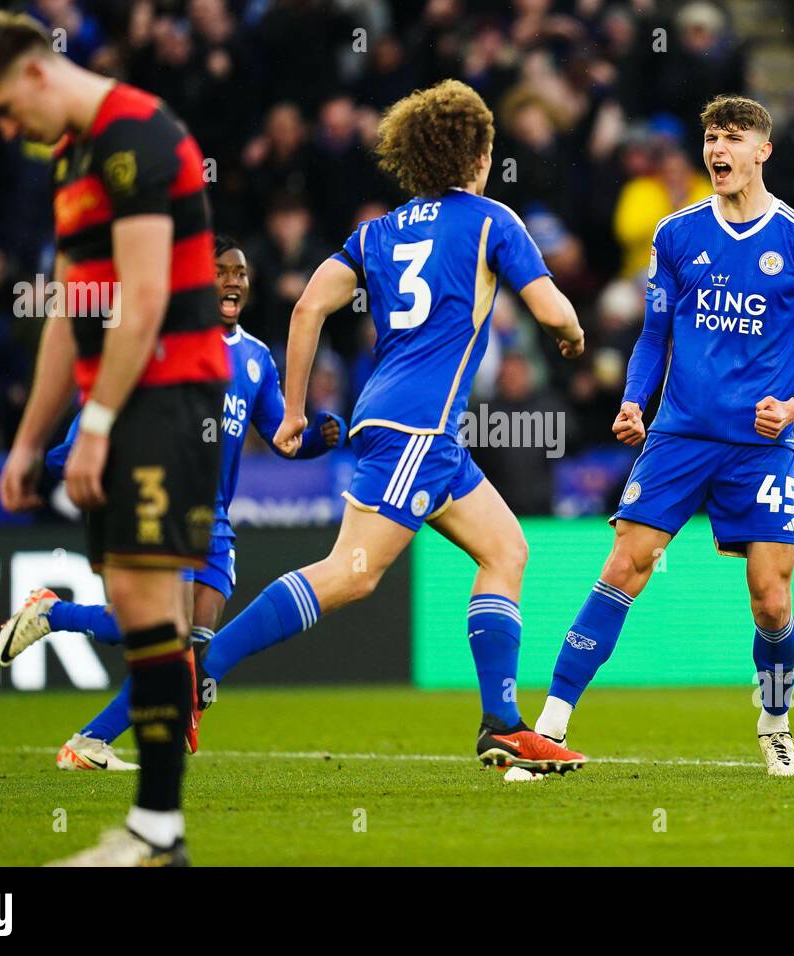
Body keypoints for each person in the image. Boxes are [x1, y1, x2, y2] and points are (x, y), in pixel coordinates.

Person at [197, 79, 590, 775]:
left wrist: (291, 409)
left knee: (506, 550)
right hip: (419, 428)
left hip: (412, 424)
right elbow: (553, 310)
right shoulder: (491, 219)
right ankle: (203, 665)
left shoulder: (376, 232)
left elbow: (306, 309)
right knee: (351, 574)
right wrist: (572, 336)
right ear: (477, 153)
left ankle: (502, 722)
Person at [0, 11, 225, 865]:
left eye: (3, 110)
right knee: (144, 610)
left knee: (156, 608)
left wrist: (99, 426)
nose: (7, 131)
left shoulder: (138, 135)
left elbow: (143, 299)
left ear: (35, 75)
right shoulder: (72, 160)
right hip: (118, 401)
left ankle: (155, 830)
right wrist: (30, 440)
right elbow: (73, 313)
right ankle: (158, 832)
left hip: (170, 395)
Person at [531, 95, 794, 777]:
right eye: (711, 138)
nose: (718, 150)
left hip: (760, 445)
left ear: (763, 150)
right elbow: (653, 333)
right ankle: (550, 729)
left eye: (732, 138)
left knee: (771, 597)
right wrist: (632, 402)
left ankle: (775, 722)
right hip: (678, 434)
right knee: (624, 563)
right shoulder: (676, 234)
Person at [0, 236, 344, 771]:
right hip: (163, 506)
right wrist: (62, 459)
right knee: (172, 643)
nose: (234, 280)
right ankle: (83, 720)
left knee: (192, 655)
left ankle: (55, 625)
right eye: (222, 270)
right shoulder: (165, 341)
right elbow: (104, 396)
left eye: (242, 273)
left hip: (217, 521)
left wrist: (318, 435)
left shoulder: (255, 360)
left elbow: (282, 436)